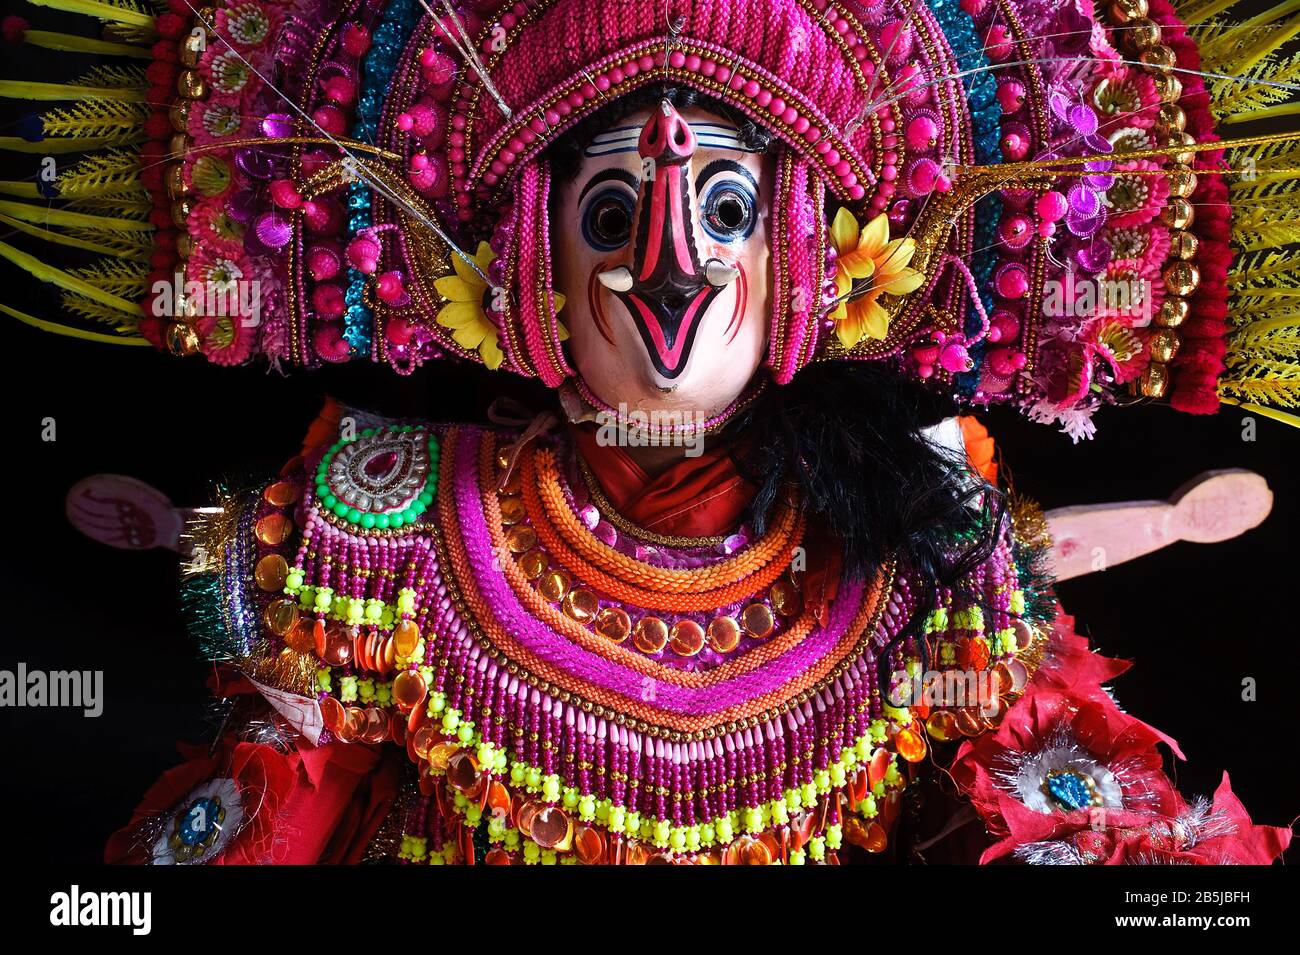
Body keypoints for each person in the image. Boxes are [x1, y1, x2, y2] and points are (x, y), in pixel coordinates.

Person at [4, 0, 1296, 864]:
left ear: (816, 263)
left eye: (727, 208)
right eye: (612, 218)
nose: (670, 272)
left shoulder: (927, 519)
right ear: (519, 268)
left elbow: (1019, 761)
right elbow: (288, 797)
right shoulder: (374, 518)